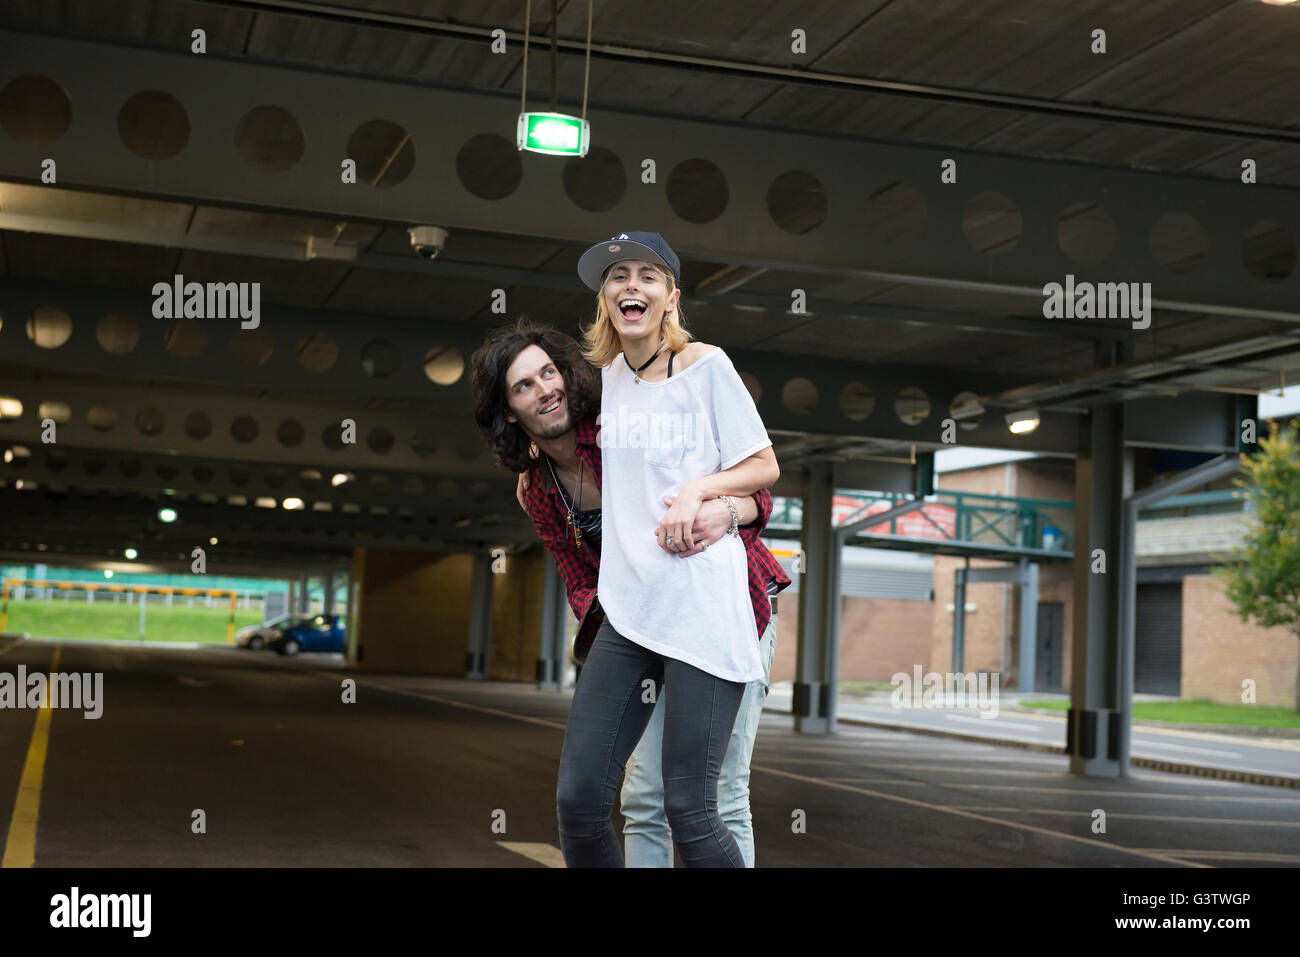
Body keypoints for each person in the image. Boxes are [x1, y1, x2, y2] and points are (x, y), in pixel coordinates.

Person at [468, 318, 789, 866]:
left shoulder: (619, 424)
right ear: (510, 412)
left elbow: (757, 492)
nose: (544, 389)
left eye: (548, 373)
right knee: (640, 796)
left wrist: (726, 507)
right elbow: (580, 581)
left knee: (718, 794)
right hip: (638, 619)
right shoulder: (538, 490)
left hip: (728, 604)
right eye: (524, 385)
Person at [560, 229, 781, 867]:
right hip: (628, 611)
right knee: (579, 798)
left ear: (670, 296)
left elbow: (764, 465)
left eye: (647, 275)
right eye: (617, 276)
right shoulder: (608, 380)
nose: (631, 285)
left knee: (690, 807)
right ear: (606, 298)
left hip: (701, 606)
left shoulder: (706, 366)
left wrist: (701, 493)